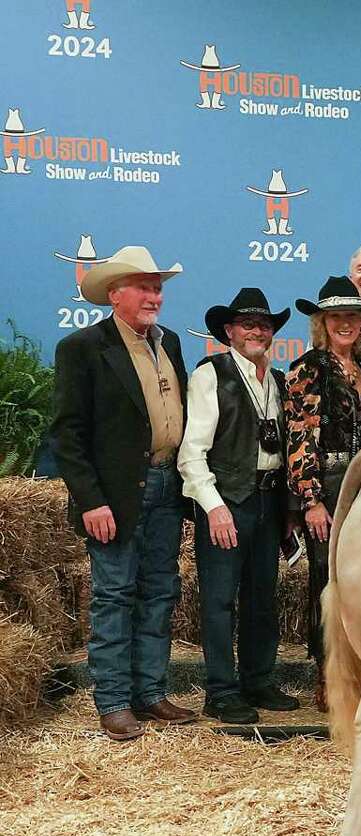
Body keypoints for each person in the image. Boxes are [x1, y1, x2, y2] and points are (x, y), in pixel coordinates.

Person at [49, 245, 196, 740]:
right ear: (115, 294)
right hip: (114, 493)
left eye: (157, 287)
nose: (155, 296)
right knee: (114, 595)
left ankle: (150, 693)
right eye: (144, 287)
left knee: (159, 590)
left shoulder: (170, 341)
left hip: (167, 481)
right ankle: (113, 700)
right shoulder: (83, 348)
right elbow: (67, 434)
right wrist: (91, 499)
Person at [177, 287, 298, 725]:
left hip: (268, 500)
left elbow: (286, 450)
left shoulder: (279, 380)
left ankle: (258, 680)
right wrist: (214, 506)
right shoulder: (212, 374)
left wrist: (287, 510)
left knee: (262, 598)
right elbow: (191, 453)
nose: (257, 331)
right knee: (219, 600)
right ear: (229, 331)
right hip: (228, 500)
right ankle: (221, 691)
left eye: (264, 325)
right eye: (248, 324)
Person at [285, 275, 361, 712]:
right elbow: (300, 437)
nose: (346, 323)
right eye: (337, 316)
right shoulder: (309, 368)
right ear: (323, 321)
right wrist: (311, 499)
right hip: (330, 479)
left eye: (353, 316)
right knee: (327, 579)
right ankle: (328, 676)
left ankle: (360, 672)